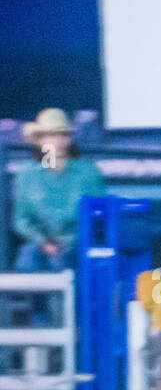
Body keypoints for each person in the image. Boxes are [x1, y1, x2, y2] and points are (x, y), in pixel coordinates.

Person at [13, 108, 106, 272]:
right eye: (51, 135)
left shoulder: (88, 172)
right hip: (40, 246)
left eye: (64, 135)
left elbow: (100, 215)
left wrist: (71, 242)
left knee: (60, 262)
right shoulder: (27, 174)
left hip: (80, 245)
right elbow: (21, 220)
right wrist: (43, 242)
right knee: (28, 259)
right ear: (39, 141)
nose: (58, 141)